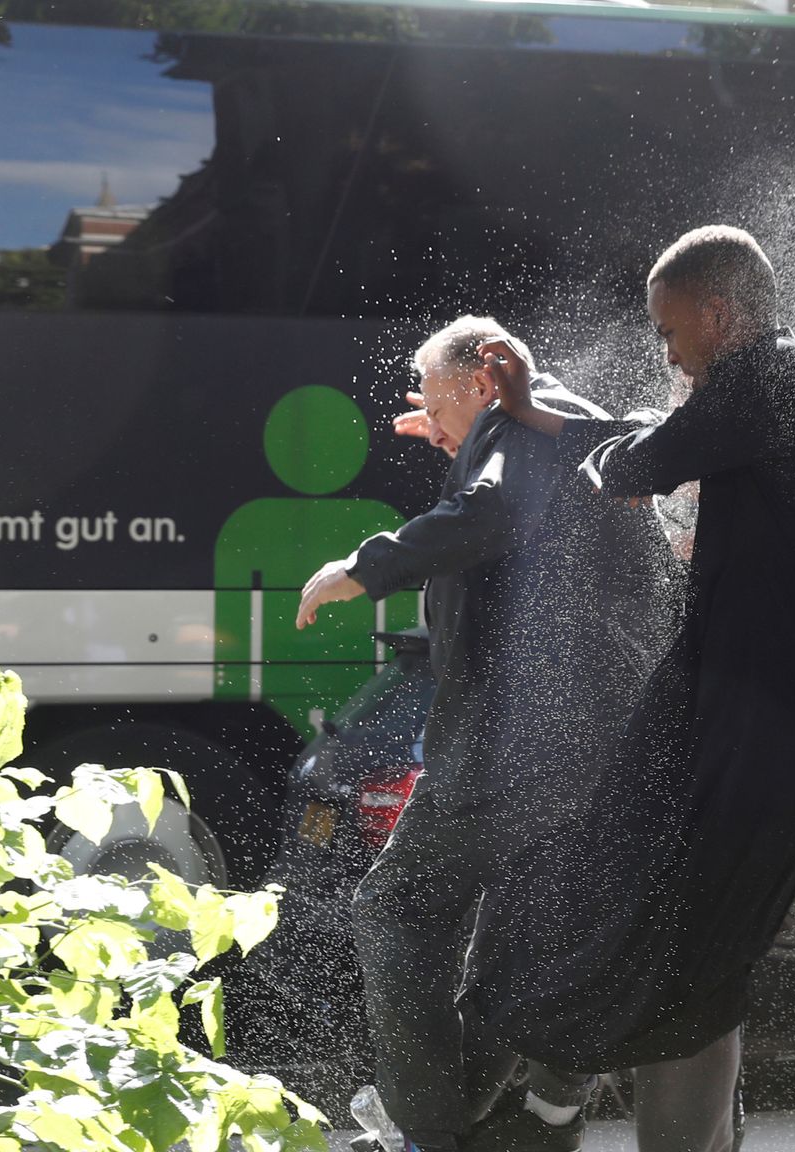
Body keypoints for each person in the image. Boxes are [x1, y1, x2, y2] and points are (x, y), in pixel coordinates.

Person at [473, 226, 795, 1152]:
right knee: (634, 901)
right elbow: (649, 443)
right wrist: (535, 413)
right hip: (746, 708)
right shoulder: (754, 392)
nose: (666, 354)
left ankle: (581, 1113)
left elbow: (645, 458)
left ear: (716, 312)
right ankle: (559, 1090)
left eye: (668, 332)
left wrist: (611, 467)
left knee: (694, 950)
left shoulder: (785, 376)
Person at [294, 316, 678, 1152]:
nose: (431, 424)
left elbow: (489, 509)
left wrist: (363, 567)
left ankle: (430, 1132)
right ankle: (466, 1125)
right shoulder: (558, 424)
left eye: (438, 405)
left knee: (392, 909)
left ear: (483, 379)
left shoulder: (517, 427)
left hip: (521, 745)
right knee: (503, 959)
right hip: (590, 746)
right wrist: (457, 431)